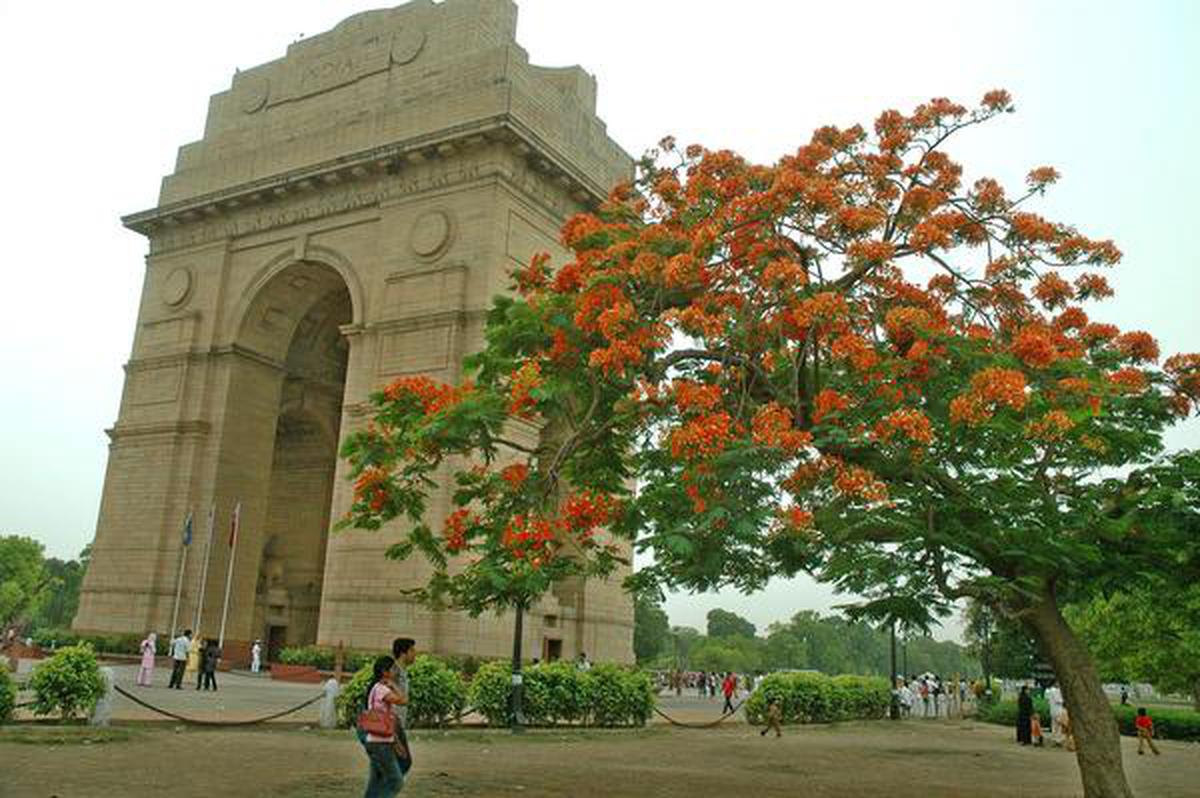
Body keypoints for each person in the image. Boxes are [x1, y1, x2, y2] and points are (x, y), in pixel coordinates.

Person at [362, 655, 406, 798]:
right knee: (396, 782)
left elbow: (385, 721)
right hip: (380, 744)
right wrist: (393, 685)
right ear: (384, 671)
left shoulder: (375, 688)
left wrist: (396, 743)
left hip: (374, 741)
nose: (395, 671)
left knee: (375, 782)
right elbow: (403, 700)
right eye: (392, 668)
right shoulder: (382, 689)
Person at [390, 637, 418, 775]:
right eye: (412, 650)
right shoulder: (394, 671)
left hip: (398, 722)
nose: (415, 654)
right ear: (403, 653)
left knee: (396, 762)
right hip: (392, 723)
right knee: (403, 762)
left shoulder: (402, 671)